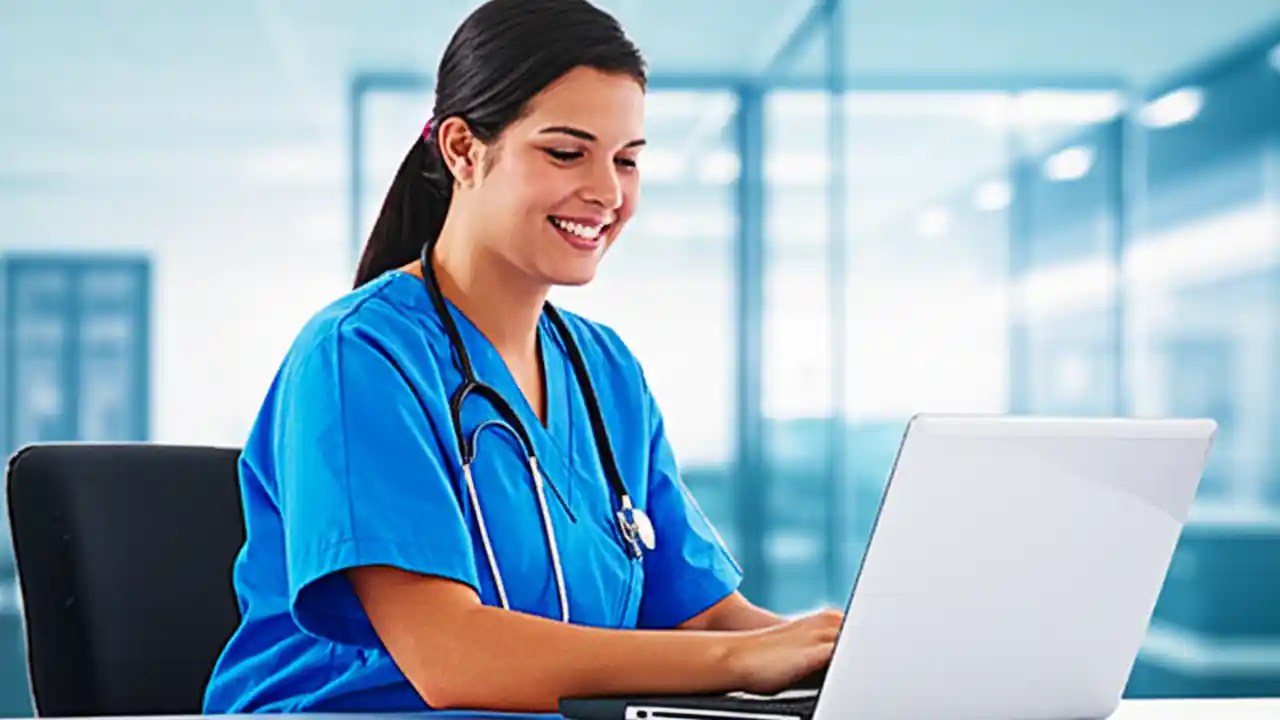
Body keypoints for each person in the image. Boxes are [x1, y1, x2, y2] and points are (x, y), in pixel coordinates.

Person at [203, 0, 839, 713]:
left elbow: (704, 616)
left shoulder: (606, 372)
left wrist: (844, 651)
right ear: (463, 150)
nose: (607, 192)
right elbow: (450, 657)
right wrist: (743, 659)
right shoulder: (358, 356)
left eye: (627, 160)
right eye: (566, 153)